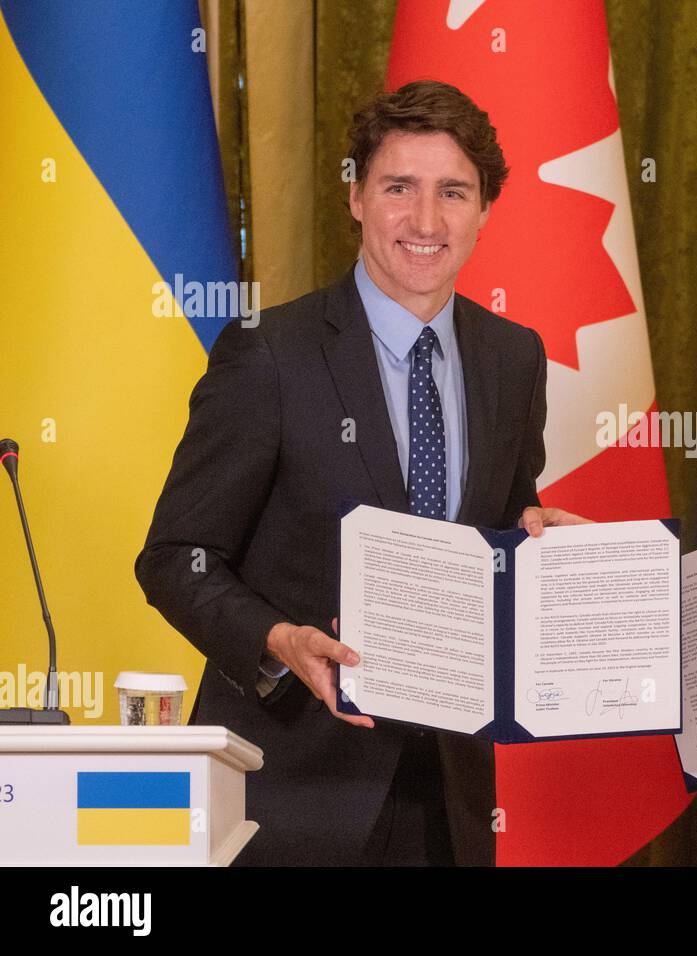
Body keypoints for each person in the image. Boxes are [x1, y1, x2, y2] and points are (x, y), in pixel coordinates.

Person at [136, 80, 584, 866]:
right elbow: (176, 558)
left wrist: (540, 540)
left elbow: (505, 520)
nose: (424, 220)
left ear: (485, 210)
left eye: (453, 192)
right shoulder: (269, 355)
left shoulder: (515, 358)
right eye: (397, 188)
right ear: (355, 196)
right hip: (291, 794)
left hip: (449, 791)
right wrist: (276, 641)